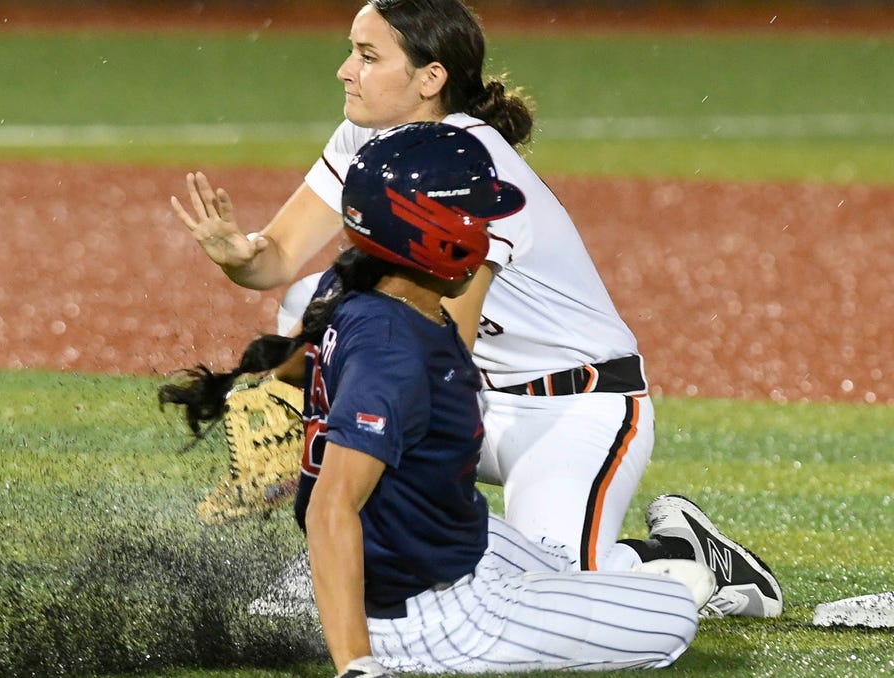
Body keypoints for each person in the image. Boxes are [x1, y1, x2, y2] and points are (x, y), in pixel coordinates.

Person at [171, 0, 781, 617]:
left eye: (367, 55)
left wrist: (343, 413)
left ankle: (678, 555)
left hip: (572, 410)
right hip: (475, 398)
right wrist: (236, 254)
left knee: (551, 595)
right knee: (307, 300)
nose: (344, 70)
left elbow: (443, 353)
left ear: (429, 79)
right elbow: (275, 259)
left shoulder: (474, 171)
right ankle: (365, 554)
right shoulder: (366, 134)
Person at [163, 123, 712, 676]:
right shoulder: (398, 350)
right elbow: (333, 508)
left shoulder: (348, 290)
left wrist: (279, 388)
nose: (485, 230)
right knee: (674, 613)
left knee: (535, 556)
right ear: (429, 233)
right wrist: (358, 666)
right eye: (473, 218)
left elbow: (307, 361)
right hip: (435, 618)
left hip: (431, 551)